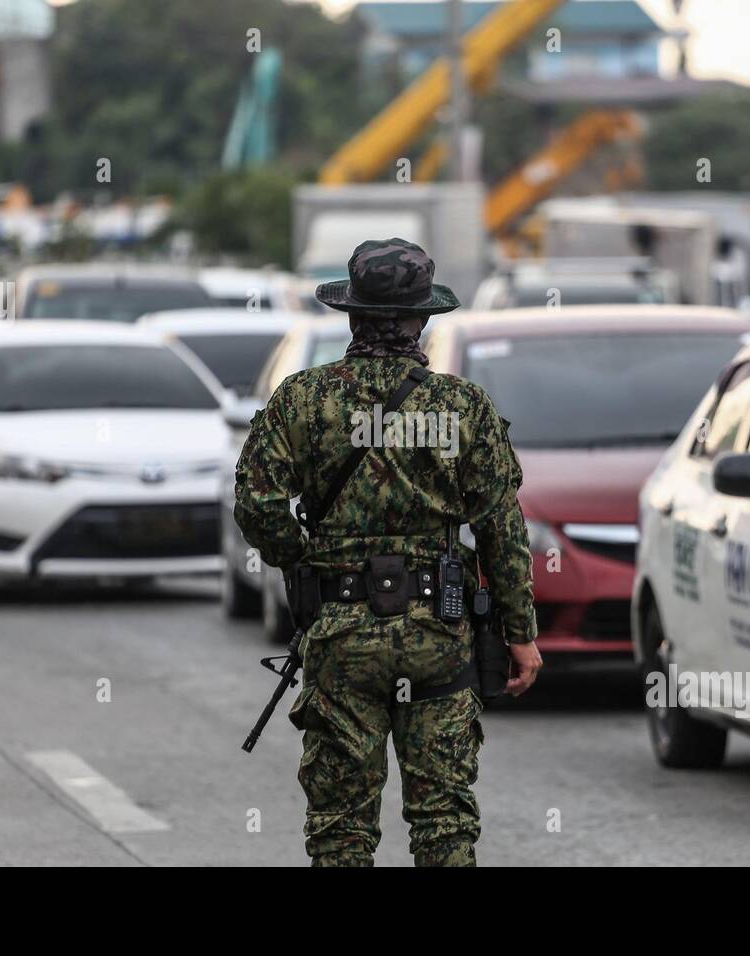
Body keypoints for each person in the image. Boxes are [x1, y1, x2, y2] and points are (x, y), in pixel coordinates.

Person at [233, 238, 541, 867]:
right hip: (439, 634)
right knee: (444, 826)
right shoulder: (465, 407)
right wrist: (520, 633)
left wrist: (306, 563)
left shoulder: (303, 400)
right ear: (423, 318)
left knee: (342, 829)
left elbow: (258, 505)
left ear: (351, 314)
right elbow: (502, 530)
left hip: (342, 637)